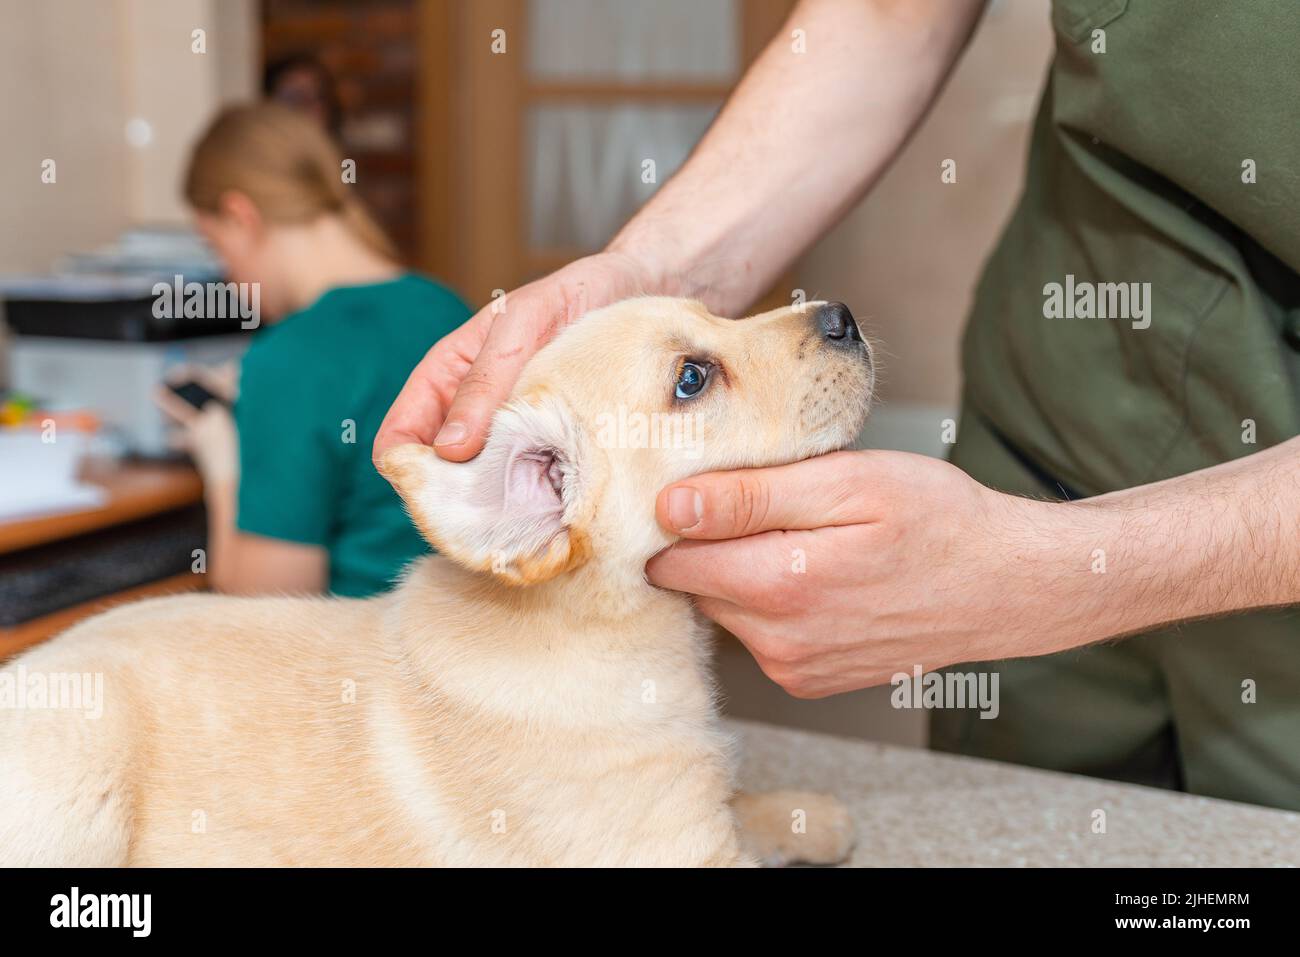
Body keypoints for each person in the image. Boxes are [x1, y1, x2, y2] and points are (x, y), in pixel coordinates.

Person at [373, 0, 1300, 809]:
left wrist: (1050, 574)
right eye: (695, 371)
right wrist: (649, 275)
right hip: (1063, 410)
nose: (808, 319)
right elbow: (888, 12)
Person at [161, 102, 470, 597]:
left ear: (243, 217)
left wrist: (221, 464)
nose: (228, 278)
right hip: (464, 649)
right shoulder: (448, 308)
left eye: (216, 248)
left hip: (359, 660)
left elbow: (267, 611)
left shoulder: (290, 356)